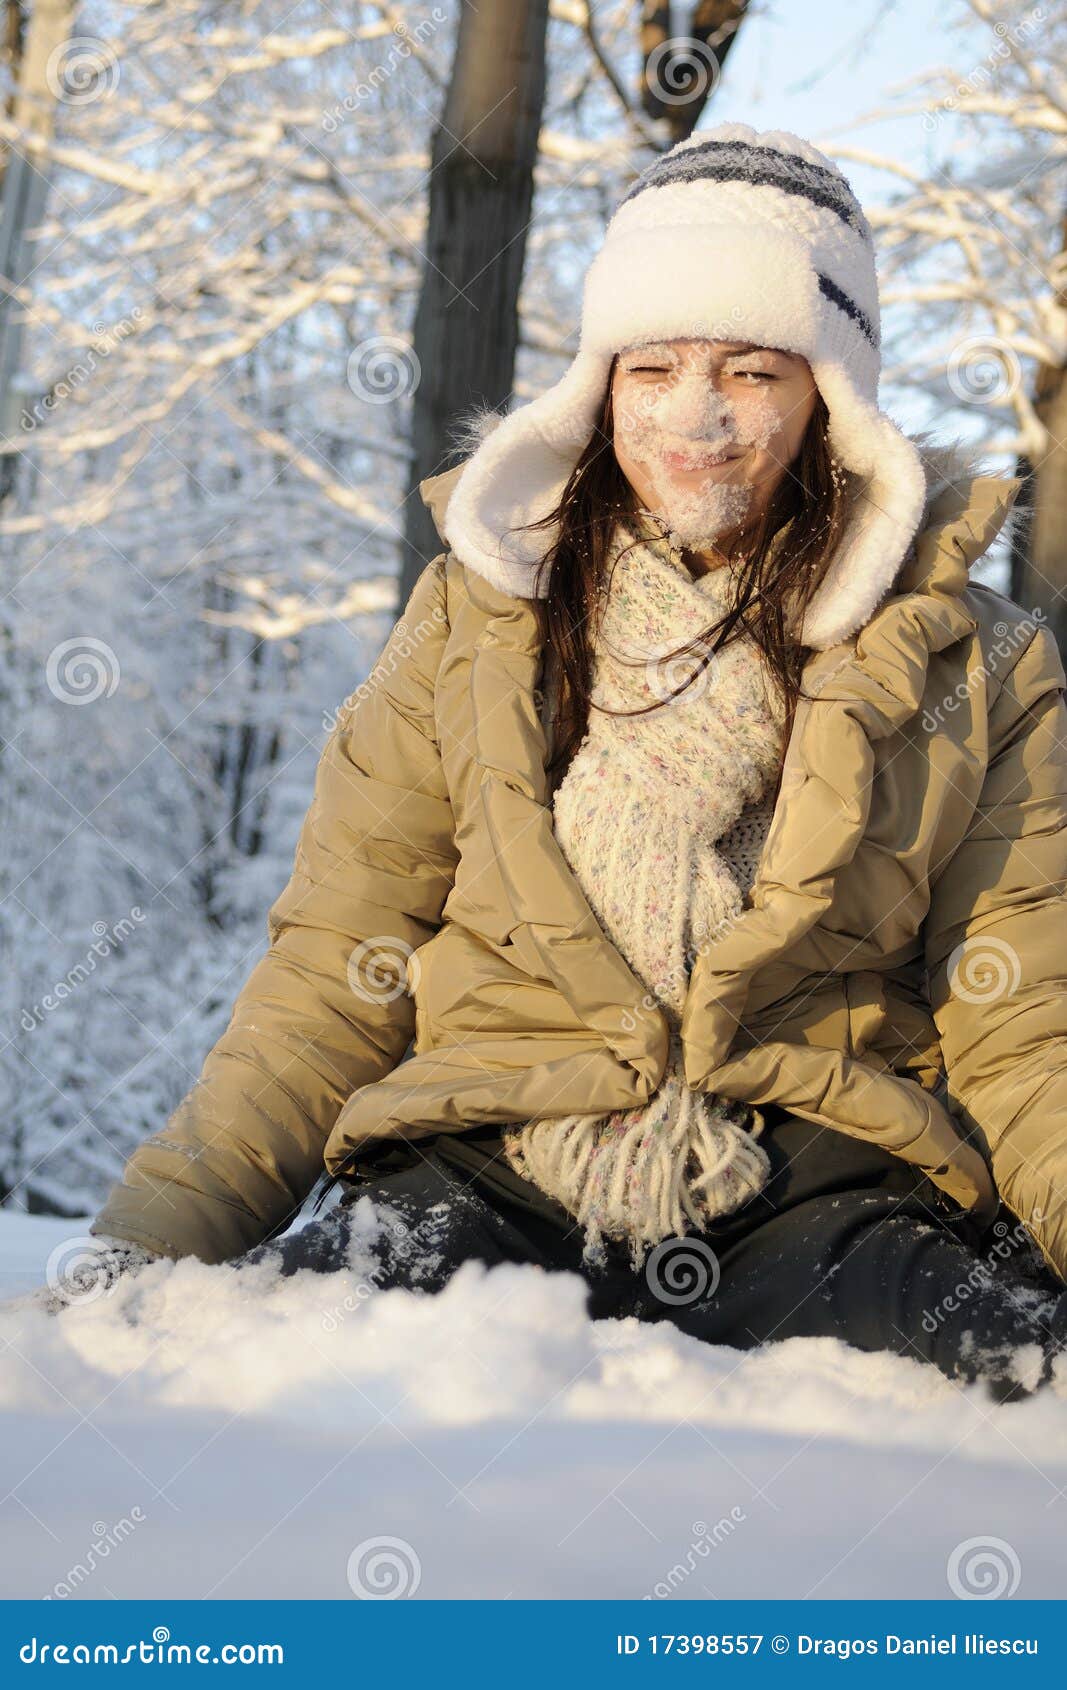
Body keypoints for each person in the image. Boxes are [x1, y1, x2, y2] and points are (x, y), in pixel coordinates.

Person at [43, 123, 1067, 1400]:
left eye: (748, 368)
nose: (693, 416)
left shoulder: (976, 664)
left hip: (821, 1168)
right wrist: (151, 1241)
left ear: (831, 396)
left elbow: (1024, 1017)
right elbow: (331, 971)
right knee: (257, 1359)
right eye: (653, 369)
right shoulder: (472, 619)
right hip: (487, 1152)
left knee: (1015, 1369)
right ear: (598, 385)